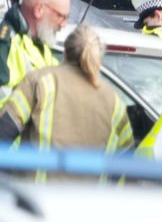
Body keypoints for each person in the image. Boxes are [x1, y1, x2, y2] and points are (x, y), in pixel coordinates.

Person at [0, 24, 133, 153]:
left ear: (65, 52)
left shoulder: (38, 81)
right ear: (98, 56)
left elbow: (4, 130)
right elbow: (127, 158)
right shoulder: (113, 99)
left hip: (33, 175)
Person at [0, 0, 69, 107]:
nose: (64, 25)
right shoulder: (6, 43)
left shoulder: (39, 43)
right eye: (61, 16)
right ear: (39, 10)